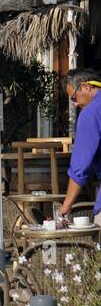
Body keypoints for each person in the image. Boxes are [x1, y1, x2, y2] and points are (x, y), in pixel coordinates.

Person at [57, 68, 101, 225]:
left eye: (73, 97)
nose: (75, 103)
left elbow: (80, 167)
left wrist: (66, 206)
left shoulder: (91, 113)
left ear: (86, 87)